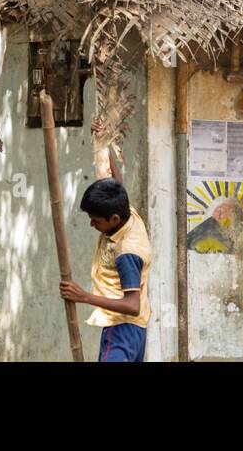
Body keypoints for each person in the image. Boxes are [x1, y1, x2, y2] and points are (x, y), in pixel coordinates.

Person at [59, 152, 152, 362]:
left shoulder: (126, 252)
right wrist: (104, 142)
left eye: (96, 220)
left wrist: (83, 297)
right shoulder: (128, 213)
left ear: (114, 218)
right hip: (135, 330)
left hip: (122, 329)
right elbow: (117, 182)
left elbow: (132, 305)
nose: (92, 225)